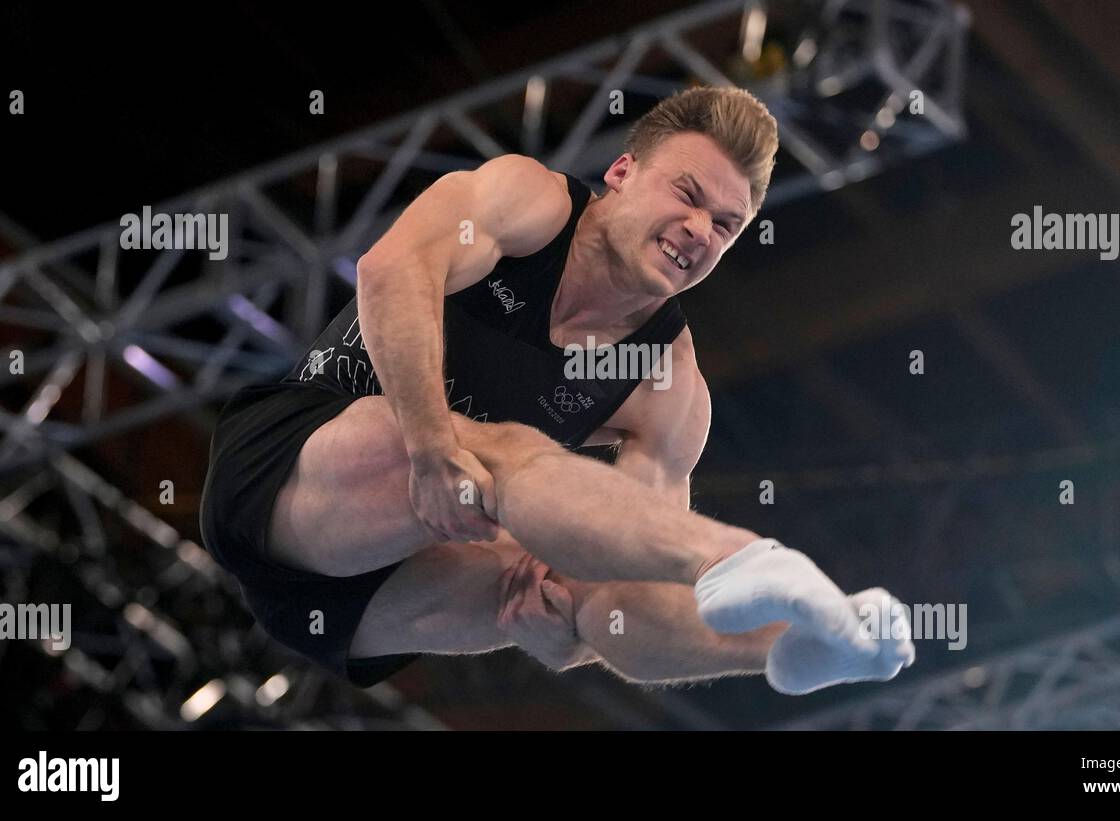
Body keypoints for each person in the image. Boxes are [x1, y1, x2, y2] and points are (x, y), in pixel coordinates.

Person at [200, 86, 914, 696]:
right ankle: (737, 555)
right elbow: (390, 269)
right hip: (283, 482)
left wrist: (567, 640)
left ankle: (787, 646)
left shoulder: (667, 386)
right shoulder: (527, 203)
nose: (700, 230)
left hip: (380, 600)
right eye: (688, 195)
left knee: (587, 585)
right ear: (623, 170)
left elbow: (634, 598)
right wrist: (428, 446)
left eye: (726, 227)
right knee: (501, 455)